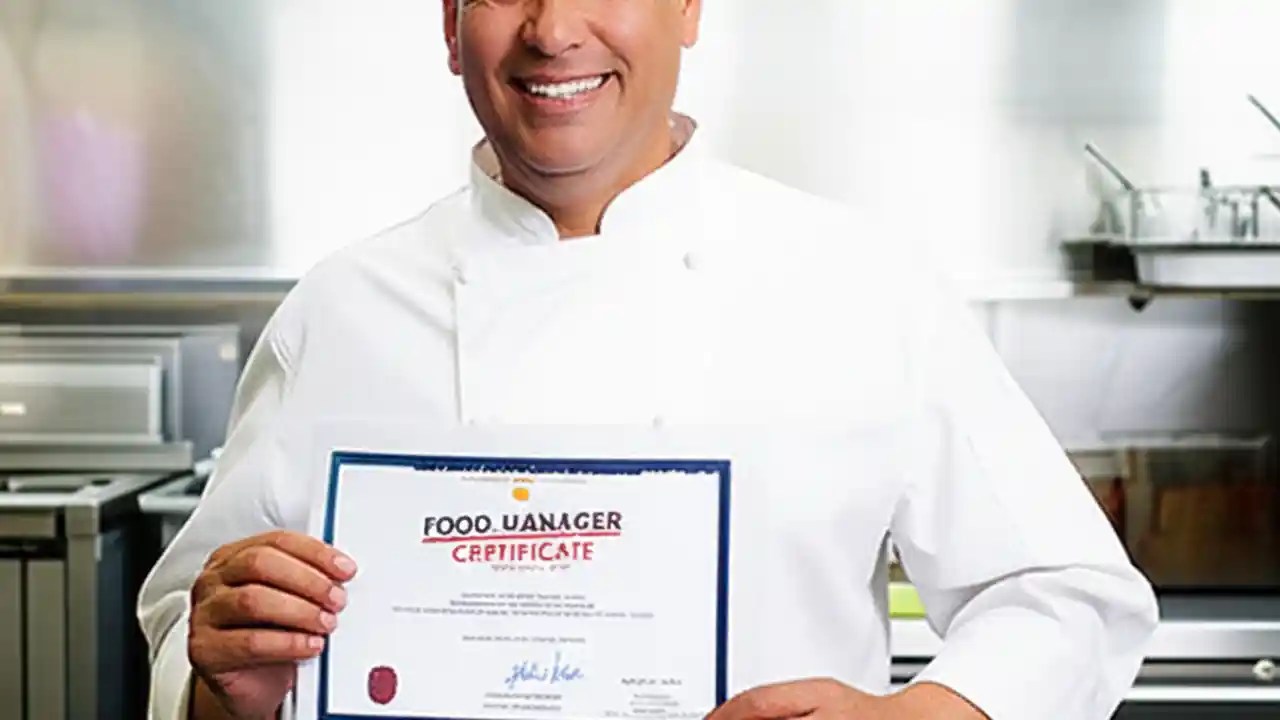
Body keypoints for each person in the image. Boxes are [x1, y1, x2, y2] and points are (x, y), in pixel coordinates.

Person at [138, 1, 1159, 718]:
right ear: (449, 25)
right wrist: (224, 688)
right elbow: (195, 634)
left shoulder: (856, 281)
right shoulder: (340, 310)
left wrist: (931, 713)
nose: (551, 29)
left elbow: (1067, 591)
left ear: (687, 5)